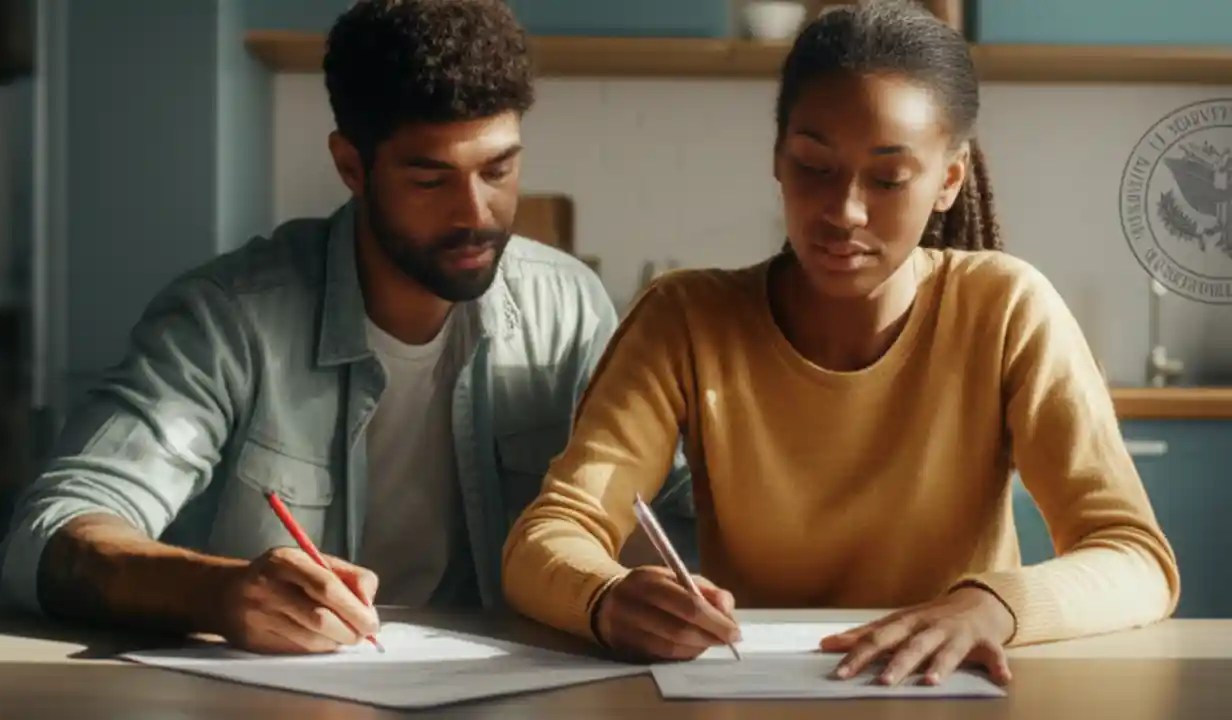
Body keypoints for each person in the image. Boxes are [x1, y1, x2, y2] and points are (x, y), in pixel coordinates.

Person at [501, 0, 1179, 687]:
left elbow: (1135, 558)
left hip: (941, 693)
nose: (844, 211)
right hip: (755, 692)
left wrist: (990, 606)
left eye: (888, 179)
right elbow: (548, 538)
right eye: (814, 166)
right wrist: (606, 598)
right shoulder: (685, 318)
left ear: (948, 179)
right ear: (777, 156)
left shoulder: (1006, 309)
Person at [0, 0, 693, 655]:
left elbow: (673, 516)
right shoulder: (228, 321)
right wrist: (217, 593)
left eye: (499, 169)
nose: (475, 213)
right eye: (430, 179)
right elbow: (51, 532)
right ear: (351, 166)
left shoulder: (568, 309)